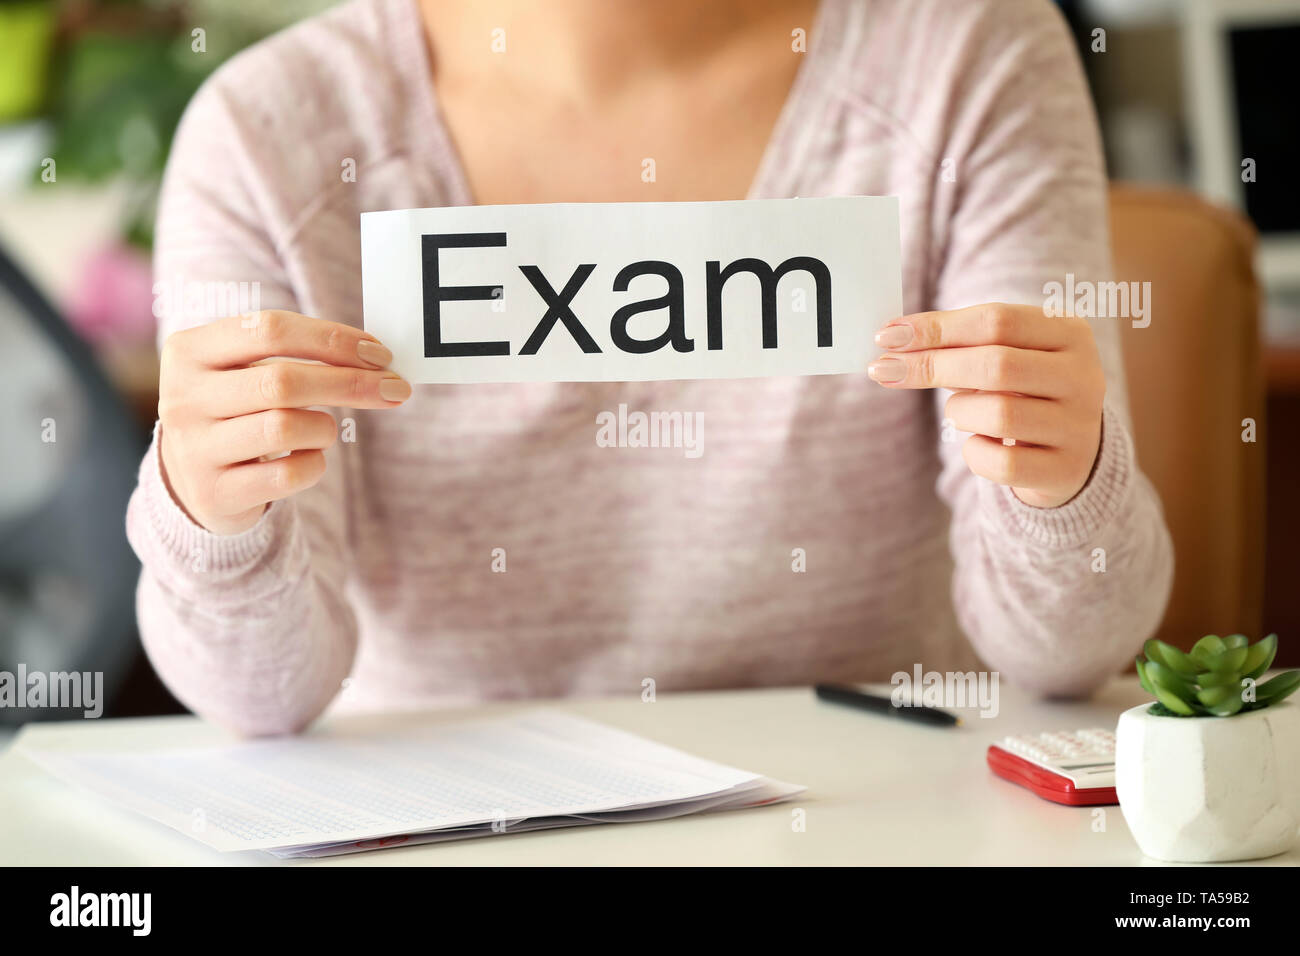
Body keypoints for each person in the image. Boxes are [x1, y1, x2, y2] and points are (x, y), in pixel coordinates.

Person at [126, 0, 1173, 736]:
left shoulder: (970, 58)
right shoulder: (265, 136)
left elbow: (1072, 650)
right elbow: (256, 698)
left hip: (878, 807)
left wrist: (1061, 485)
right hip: (439, 828)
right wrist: (211, 515)